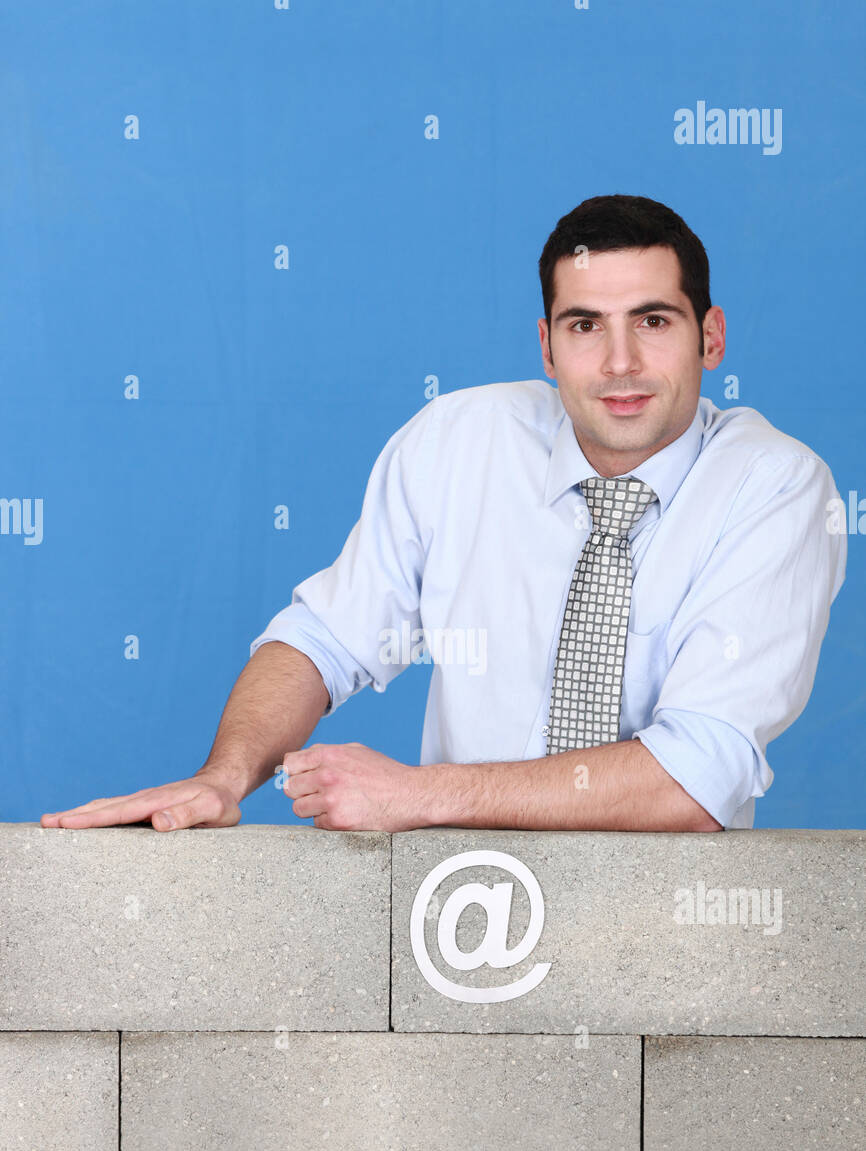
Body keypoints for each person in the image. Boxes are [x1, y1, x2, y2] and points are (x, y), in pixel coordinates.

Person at [41, 194, 846, 835]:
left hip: (665, 928)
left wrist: (419, 794)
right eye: (584, 327)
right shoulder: (459, 440)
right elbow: (324, 639)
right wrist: (226, 778)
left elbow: (694, 778)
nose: (620, 363)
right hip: (462, 914)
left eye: (654, 321)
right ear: (546, 347)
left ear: (712, 338)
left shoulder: (775, 486)